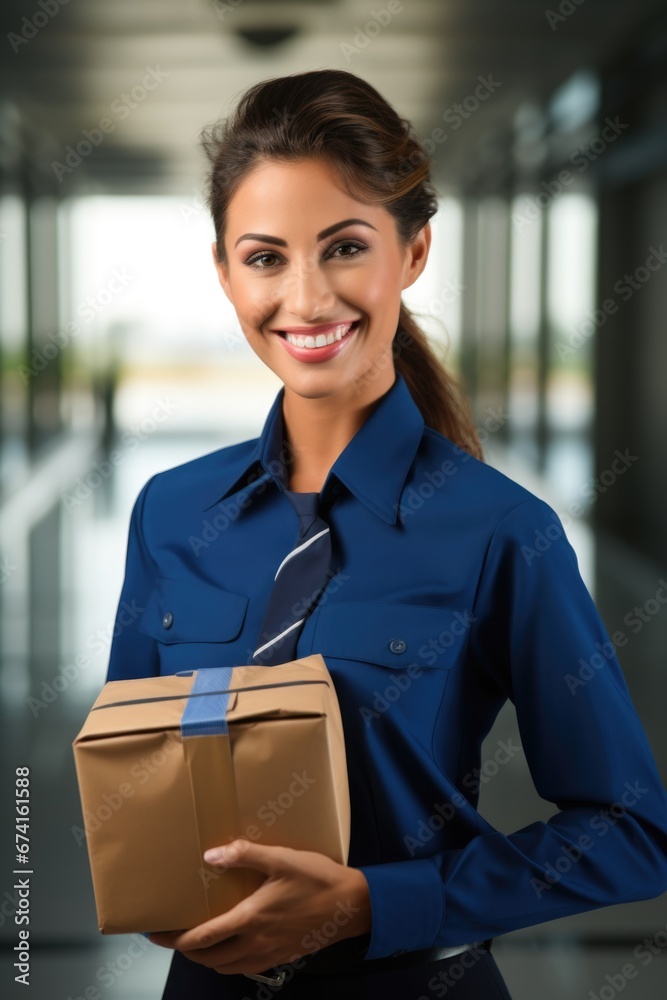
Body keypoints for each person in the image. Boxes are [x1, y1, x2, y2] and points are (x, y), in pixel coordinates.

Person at [105, 69, 667, 999]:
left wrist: (377, 902)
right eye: (264, 257)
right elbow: (124, 764)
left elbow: (630, 828)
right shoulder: (171, 512)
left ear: (411, 253)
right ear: (223, 271)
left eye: (345, 247)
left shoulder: (501, 532)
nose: (307, 298)